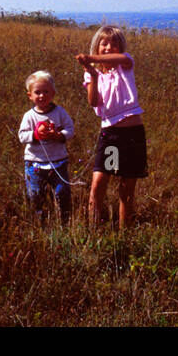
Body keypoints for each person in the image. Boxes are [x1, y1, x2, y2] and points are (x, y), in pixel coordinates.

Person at [75, 25, 147, 229]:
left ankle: (125, 235)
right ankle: (94, 231)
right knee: (99, 183)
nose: (108, 47)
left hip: (132, 135)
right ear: (97, 46)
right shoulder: (92, 74)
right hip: (111, 135)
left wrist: (91, 59)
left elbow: (122, 58)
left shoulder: (125, 64)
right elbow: (93, 102)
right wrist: (94, 75)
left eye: (114, 44)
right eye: (104, 43)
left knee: (126, 188)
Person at [17, 70, 76, 224]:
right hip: (35, 163)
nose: (42, 96)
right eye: (37, 92)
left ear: (53, 93)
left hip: (59, 162)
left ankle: (65, 221)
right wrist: (36, 135)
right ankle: (40, 223)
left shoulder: (59, 112)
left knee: (62, 192)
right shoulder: (29, 116)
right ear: (30, 95)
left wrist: (58, 135)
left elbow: (70, 129)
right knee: (36, 195)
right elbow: (22, 136)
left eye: (46, 92)